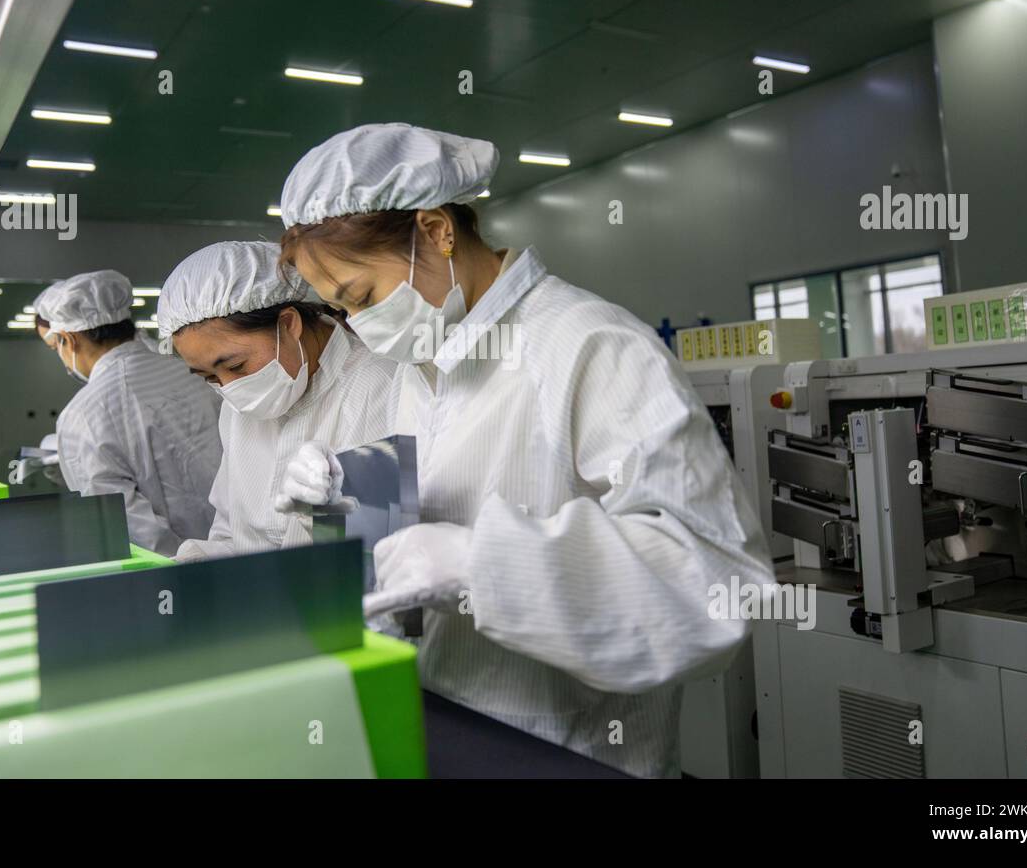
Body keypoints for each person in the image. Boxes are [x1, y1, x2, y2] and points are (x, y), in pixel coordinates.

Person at [275, 122, 773, 778]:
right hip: (448, 730)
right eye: (342, 310)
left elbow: (717, 585)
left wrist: (482, 565)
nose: (362, 326)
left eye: (362, 296)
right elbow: (434, 524)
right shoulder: (418, 363)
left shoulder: (591, 345)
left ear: (435, 231)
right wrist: (350, 499)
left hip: (572, 751)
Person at [156, 241, 398, 559]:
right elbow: (232, 533)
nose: (230, 388)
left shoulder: (378, 385)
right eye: (210, 377)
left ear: (288, 324)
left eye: (235, 366)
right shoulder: (236, 407)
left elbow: (375, 553)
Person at [42, 269, 223, 556]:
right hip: (250, 549)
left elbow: (124, 524)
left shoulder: (83, 415)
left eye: (57, 347)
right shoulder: (196, 372)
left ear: (70, 340)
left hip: (181, 576)